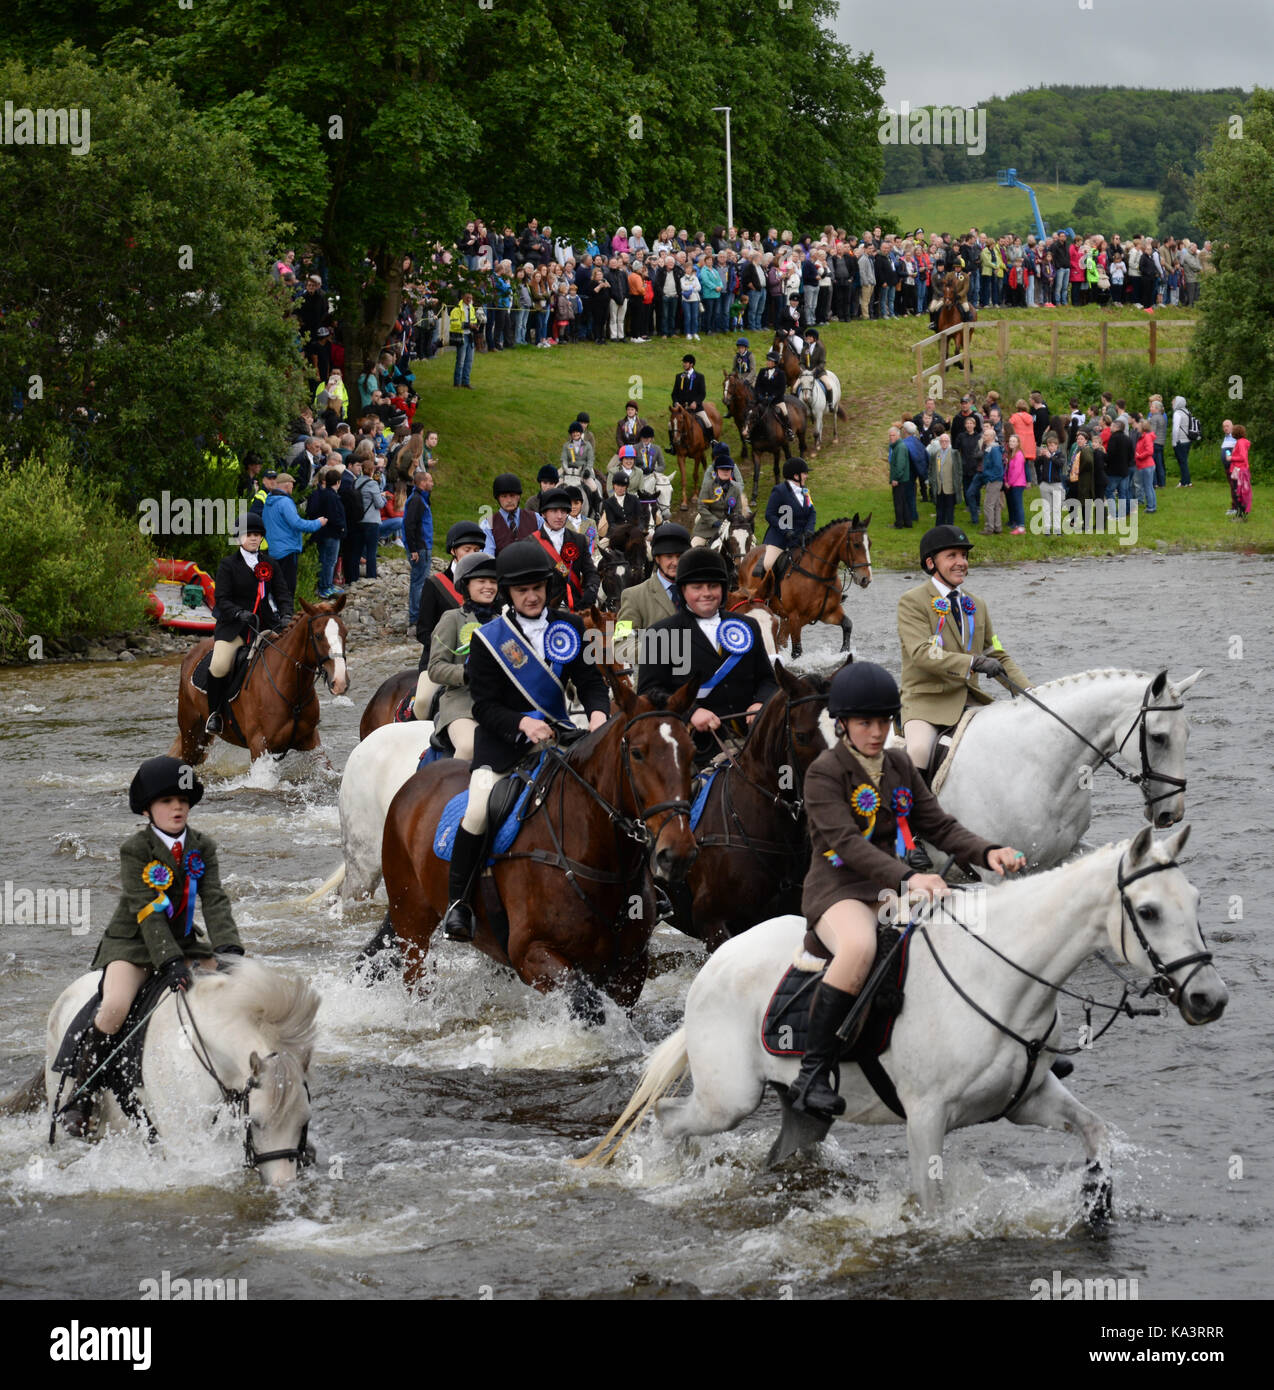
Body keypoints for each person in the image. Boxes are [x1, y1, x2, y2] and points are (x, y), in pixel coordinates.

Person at [789, 662, 1025, 1120]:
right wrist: (909, 878)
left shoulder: (898, 763)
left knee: (972, 923)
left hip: (890, 886)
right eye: (866, 723)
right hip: (839, 890)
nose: (877, 732)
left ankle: (1009, 1041)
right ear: (843, 725)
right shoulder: (823, 772)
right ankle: (813, 1072)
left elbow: (936, 824)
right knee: (858, 947)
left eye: (884, 721)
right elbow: (846, 843)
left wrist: (987, 851)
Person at [59, 757, 245, 1137]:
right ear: (147, 809)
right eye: (166, 801)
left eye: (183, 800)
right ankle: (83, 1092)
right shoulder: (135, 849)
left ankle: (240, 1089)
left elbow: (214, 899)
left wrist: (229, 948)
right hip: (133, 945)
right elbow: (147, 911)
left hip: (183, 942)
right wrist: (170, 961)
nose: (177, 808)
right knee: (113, 1009)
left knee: (234, 995)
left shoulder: (203, 847)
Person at [438, 541, 610, 940]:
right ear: (508, 594)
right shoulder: (487, 640)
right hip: (505, 749)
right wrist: (521, 724)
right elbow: (482, 707)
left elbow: (591, 684)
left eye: (537, 588)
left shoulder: (572, 626)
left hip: (563, 740)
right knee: (478, 810)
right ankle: (459, 903)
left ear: (548, 587)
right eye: (521, 591)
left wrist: (599, 712)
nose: (531, 596)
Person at [897, 526, 1031, 775]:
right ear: (930, 562)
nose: (962, 563)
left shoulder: (977, 604)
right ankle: (911, 813)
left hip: (971, 701)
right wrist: (972, 664)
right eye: (952, 556)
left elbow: (996, 653)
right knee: (918, 751)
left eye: (964, 556)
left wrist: (1029, 691)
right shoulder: (912, 601)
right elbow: (922, 653)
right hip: (926, 704)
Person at [637, 547, 778, 767]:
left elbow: (768, 679)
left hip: (754, 738)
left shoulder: (746, 625)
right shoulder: (661, 633)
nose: (707, 593)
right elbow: (649, 693)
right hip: (696, 745)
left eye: (713, 586)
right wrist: (690, 712)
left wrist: (761, 702)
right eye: (697, 587)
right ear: (683, 590)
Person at [204, 514, 289, 733]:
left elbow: (282, 594)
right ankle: (215, 714)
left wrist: (287, 615)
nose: (253, 538)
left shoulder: (270, 564)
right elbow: (221, 599)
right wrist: (238, 613)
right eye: (249, 534)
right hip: (235, 626)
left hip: (266, 625)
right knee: (220, 665)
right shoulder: (228, 565)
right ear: (240, 537)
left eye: (257, 535)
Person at [427, 552, 503, 761]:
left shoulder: (503, 622)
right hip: (462, 705)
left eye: (493, 581)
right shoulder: (452, 619)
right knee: (469, 747)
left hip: (500, 706)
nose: (489, 586)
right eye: (481, 581)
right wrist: (467, 673)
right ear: (466, 585)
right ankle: (458, 792)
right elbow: (434, 667)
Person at [415, 518, 485, 677]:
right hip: (440, 662)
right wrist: (453, 651)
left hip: (481, 661)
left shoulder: (488, 585)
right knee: (423, 700)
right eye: (467, 549)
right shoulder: (434, 584)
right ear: (453, 551)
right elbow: (423, 631)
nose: (472, 555)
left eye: (477, 550)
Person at [261, 473, 325, 615]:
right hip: (287, 549)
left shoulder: (268, 501)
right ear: (287, 484)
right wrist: (318, 523)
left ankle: (274, 614)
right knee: (287, 587)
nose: (293, 487)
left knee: (274, 586)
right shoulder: (285, 502)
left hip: (272, 549)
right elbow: (297, 523)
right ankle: (286, 617)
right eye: (292, 484)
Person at [534, 487, 600, 611]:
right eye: (554, 511)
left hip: (576, 606)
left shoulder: (579, 540)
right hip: (544, 608)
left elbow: (590, 571)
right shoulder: (531, 543)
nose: (559, 516)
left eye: (564, 511)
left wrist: (592, 587)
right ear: (543, 513)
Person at [617, 522, 689, 631]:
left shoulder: (701, 591)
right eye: (669, 556)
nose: (675, 562)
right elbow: (622, 641)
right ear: (657, 558)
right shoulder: (633, 596)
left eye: (680, 556)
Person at [754, 457, 815, 577]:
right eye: (804, 473)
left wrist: (809, 530)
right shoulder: (779, 491)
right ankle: (768, 592)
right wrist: (786, 531)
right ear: (796, 476)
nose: (806, 476)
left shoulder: (805, 492)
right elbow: (769, 515)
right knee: (768, 564)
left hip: (802, 537)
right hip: (780, 538)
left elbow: (812, 512)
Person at [306, 467, 348, 599]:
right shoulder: (331, 496)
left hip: (324, 532)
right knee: (329, 561)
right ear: (338, 482)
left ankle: (326, 584)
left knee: (325, 560)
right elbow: (334, 515)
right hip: (331, 533)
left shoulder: (323, 494)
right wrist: (341, 526)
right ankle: (325, 586)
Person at [692, 452, 747, 549]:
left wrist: (731, 523)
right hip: (707, 529)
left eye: (728, 469)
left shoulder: (735, 489)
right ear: (717, 470)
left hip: (728, 529)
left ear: (731, 471)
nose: (725, 471)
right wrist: (715, 521)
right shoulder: (708, 486)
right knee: (693, 547)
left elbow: (738, 510)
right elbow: (701, 507)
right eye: (722, 469)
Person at [403, 468, 436, 625]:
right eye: (430, 480)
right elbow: (410, 525)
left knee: (421, 581)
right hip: (420, 548)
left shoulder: (422, 498)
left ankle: (419, 614)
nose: (432, 483)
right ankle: (415, 618)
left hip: (424, 546)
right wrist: (414, 549)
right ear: (422, 483)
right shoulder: (416, 500)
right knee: (418, 582)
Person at [481, 473, 541, 555]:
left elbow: (548, 549)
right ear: (498, 498)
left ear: (519, 497)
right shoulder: (487, 524)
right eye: (504, 496)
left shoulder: (536, 519)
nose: (509, 500)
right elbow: (488, 556)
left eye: (512, 495)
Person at [746, 349, 792, 442]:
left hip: (776, 400)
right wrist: (760, 396)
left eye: (770, 361)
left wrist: (773, 397)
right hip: (762, 400)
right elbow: (758, 386)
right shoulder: (762, 371)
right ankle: (751, 434)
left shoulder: (781, 374)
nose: (768, 362)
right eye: (767, 360)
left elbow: (781, 389)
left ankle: (788, 430)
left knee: (784, 412)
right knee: (752, 413)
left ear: (775, 362)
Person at [671, 353, 714, 443]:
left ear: (691, 364)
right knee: (669, 424)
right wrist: (676, 403)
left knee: (707, 422)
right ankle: (672, 446)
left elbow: (702, 393)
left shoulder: (700, 377)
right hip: (681, 409)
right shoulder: (679, 377)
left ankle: (712, 442)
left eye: (686, 362)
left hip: (696, 409)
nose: (684, 364)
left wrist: (696, 402)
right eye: (683, 362)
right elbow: (674, 394)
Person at [450, 291, 479, 388]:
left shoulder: (471, 308)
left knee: (469, 361)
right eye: (467, 297)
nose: (469, 300)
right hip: (461, 336)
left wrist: (475, 326)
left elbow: (473, 319)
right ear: (462, 297)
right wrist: (468, 325)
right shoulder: (456, 309)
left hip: (469, 336)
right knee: (460, 361)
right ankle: (457, 383)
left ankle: (466, 382)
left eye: (470, 298)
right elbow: (454, 324)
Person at [601, 469, 642, 536]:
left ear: (626, 487)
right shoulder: (607, 502)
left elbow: (639, 517)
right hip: (615, 534)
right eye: (617, 485)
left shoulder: (634, 499)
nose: (620, 488)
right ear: (613, 485)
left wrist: (637, 531)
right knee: (601, 545)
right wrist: (623, 532)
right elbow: (611, 523)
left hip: (633, 533)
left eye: (623, 486)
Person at [888, 424, 912, 529]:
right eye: (890, 435)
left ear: (898, 436)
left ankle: (899, 524)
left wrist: (895, 479)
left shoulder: (900, 447)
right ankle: (907, 522)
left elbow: (900, 465)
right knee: (904, 501)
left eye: (893, 435)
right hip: (903, 479)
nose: (891, 437)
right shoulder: (898, 446)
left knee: (898, 502)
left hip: (900, 480)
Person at [1171, 395, 1194, 487]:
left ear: (1178, 402)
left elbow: (1175, 429)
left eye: (1173, 401)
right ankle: (1184, 480)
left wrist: (1174, 442)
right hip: (1188, 440)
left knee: (1182, 462)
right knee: (1184, 461)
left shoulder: (1177, 413)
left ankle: (1186, 482)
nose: (1172, 403)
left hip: (1180, 440)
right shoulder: (1187, 412)